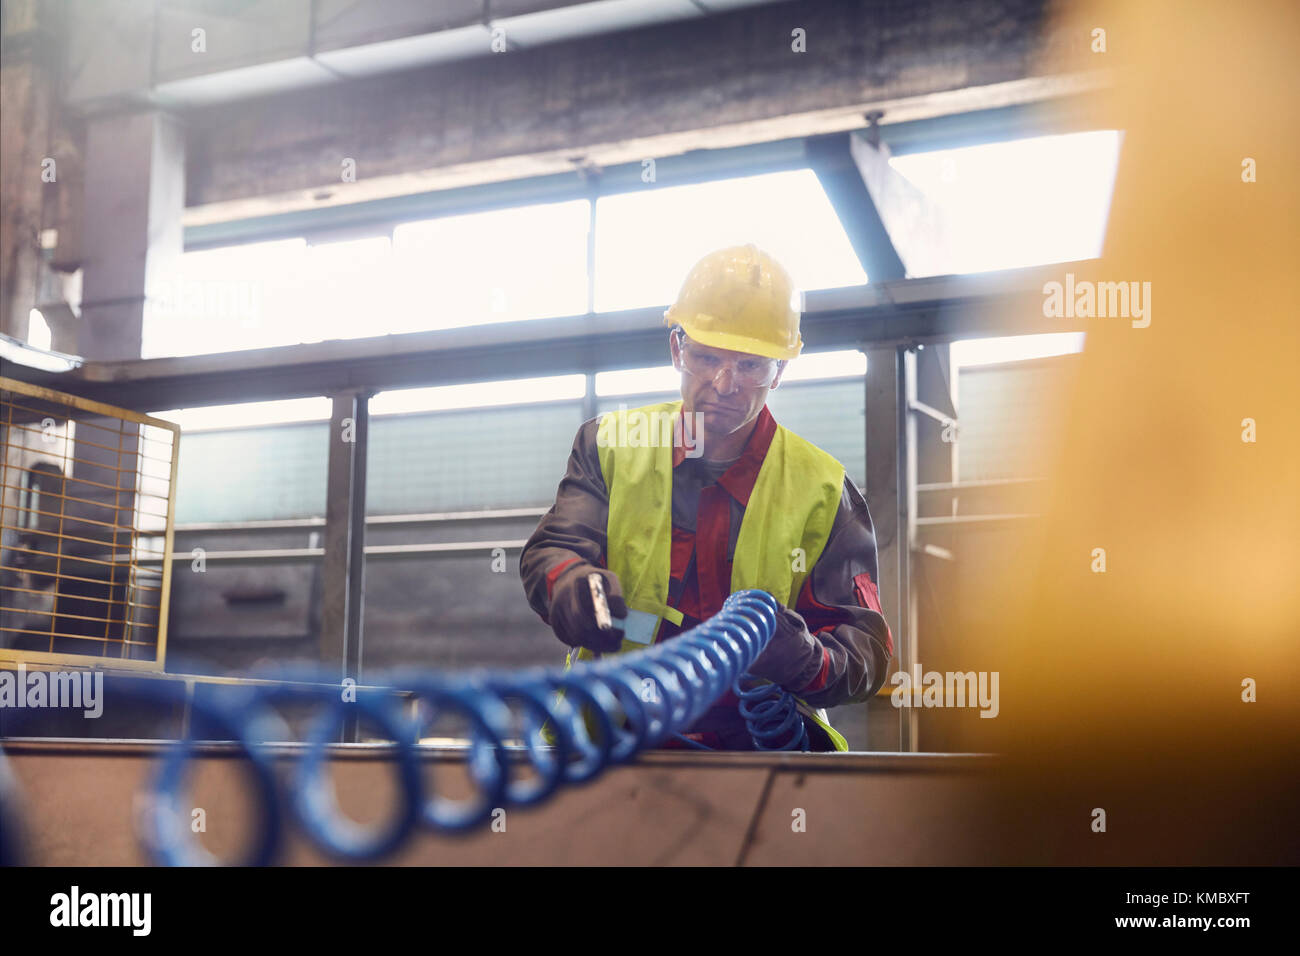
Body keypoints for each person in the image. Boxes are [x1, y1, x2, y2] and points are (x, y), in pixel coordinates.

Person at [519, 244, 893, 751]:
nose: (724, 383)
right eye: (707, 357)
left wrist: (805, 658)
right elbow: (555, 549)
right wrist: (572, 586)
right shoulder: (609, 446)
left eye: (750, 365)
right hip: (610, 744)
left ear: (779, 370)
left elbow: (867, 651)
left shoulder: (824, 490)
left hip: (761, 755)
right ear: (677, 349)